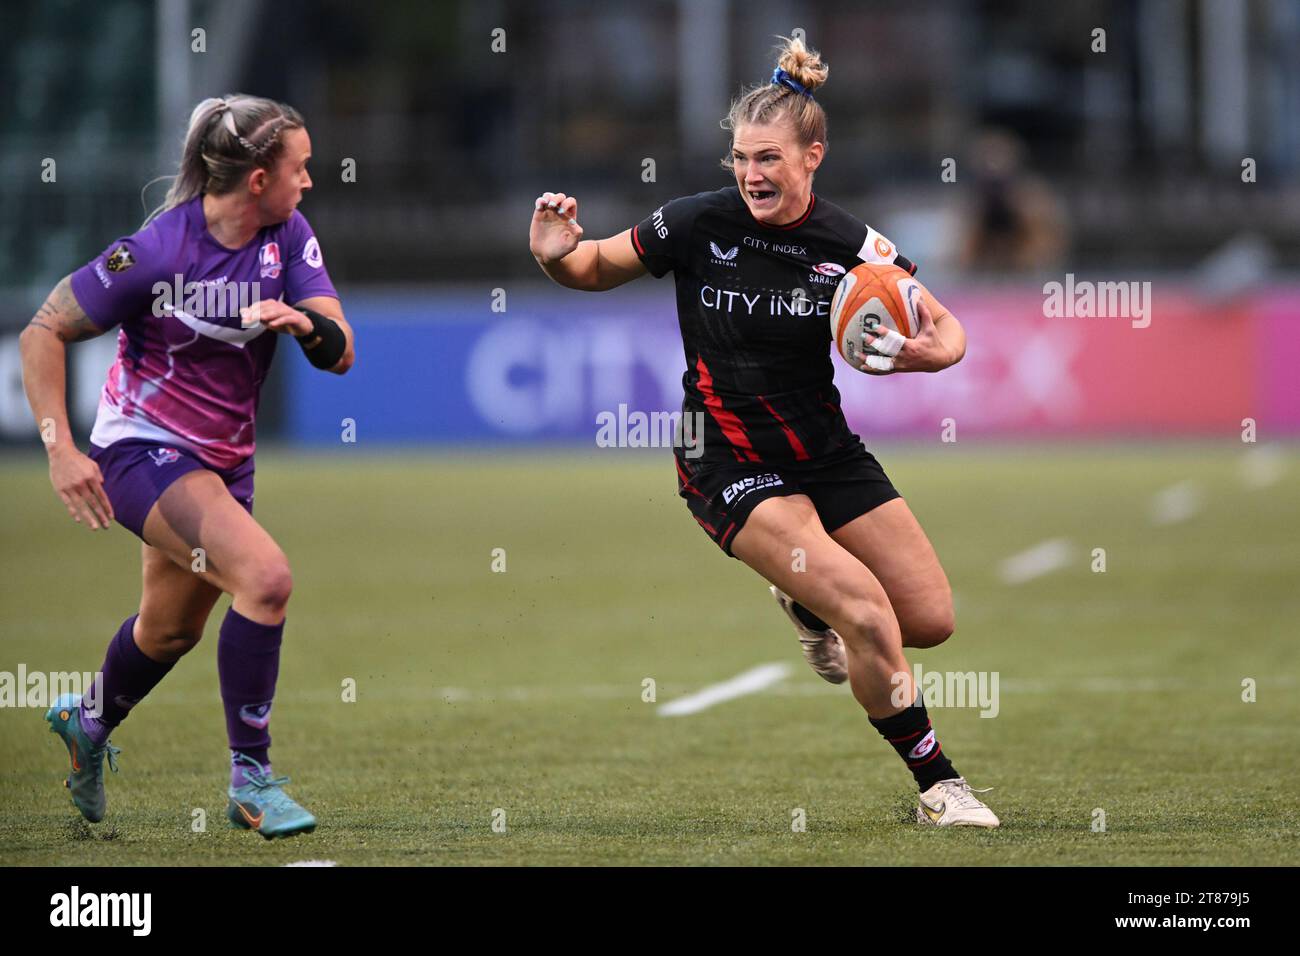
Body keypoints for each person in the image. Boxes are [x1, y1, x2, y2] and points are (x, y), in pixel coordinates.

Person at [528, 37, 998, 827]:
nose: (751, 174)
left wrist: (925, 355)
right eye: (741, 157)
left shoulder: (852, 246)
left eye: (770, 157)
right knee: (868, 614)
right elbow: (590, 266)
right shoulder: (693, 224)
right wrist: (553, 255)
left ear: (813, 156)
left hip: (823, 449)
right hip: (724, 458)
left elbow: (947, 330)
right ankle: (939, 787)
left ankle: (803, 603)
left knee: (927, 622)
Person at [19, 94, 354, 840]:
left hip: (225, 462)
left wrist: (307, 326)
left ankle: (86, 722)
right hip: (142, 451)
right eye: (300, 169)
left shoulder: (288, 237)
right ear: (258, 177)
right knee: (265, 579)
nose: (309, 182)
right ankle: (252, 781)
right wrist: (61, 449)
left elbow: (341, 350)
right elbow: (44, 329)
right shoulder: (158, 252)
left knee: (168, 633)